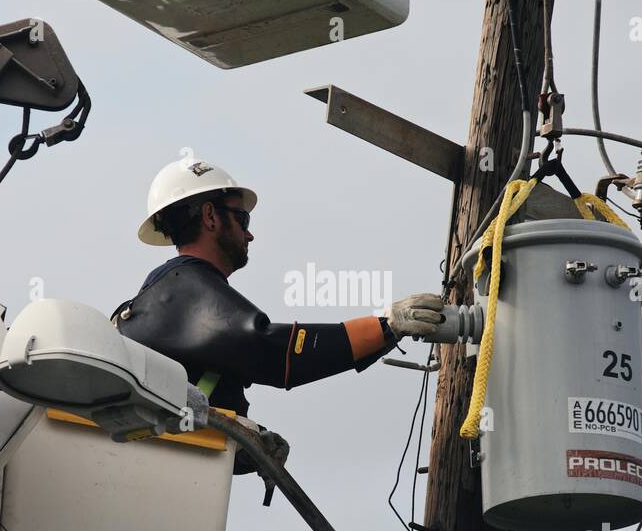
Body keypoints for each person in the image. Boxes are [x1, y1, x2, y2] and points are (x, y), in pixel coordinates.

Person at [112, 157, 443, 477]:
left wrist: (246, 440)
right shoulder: (183, 290)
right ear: (211, 216)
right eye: (243, 219)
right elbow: (273, 349)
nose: (249, 235)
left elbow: (193, 402)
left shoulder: (169, 297)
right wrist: (385, 326)